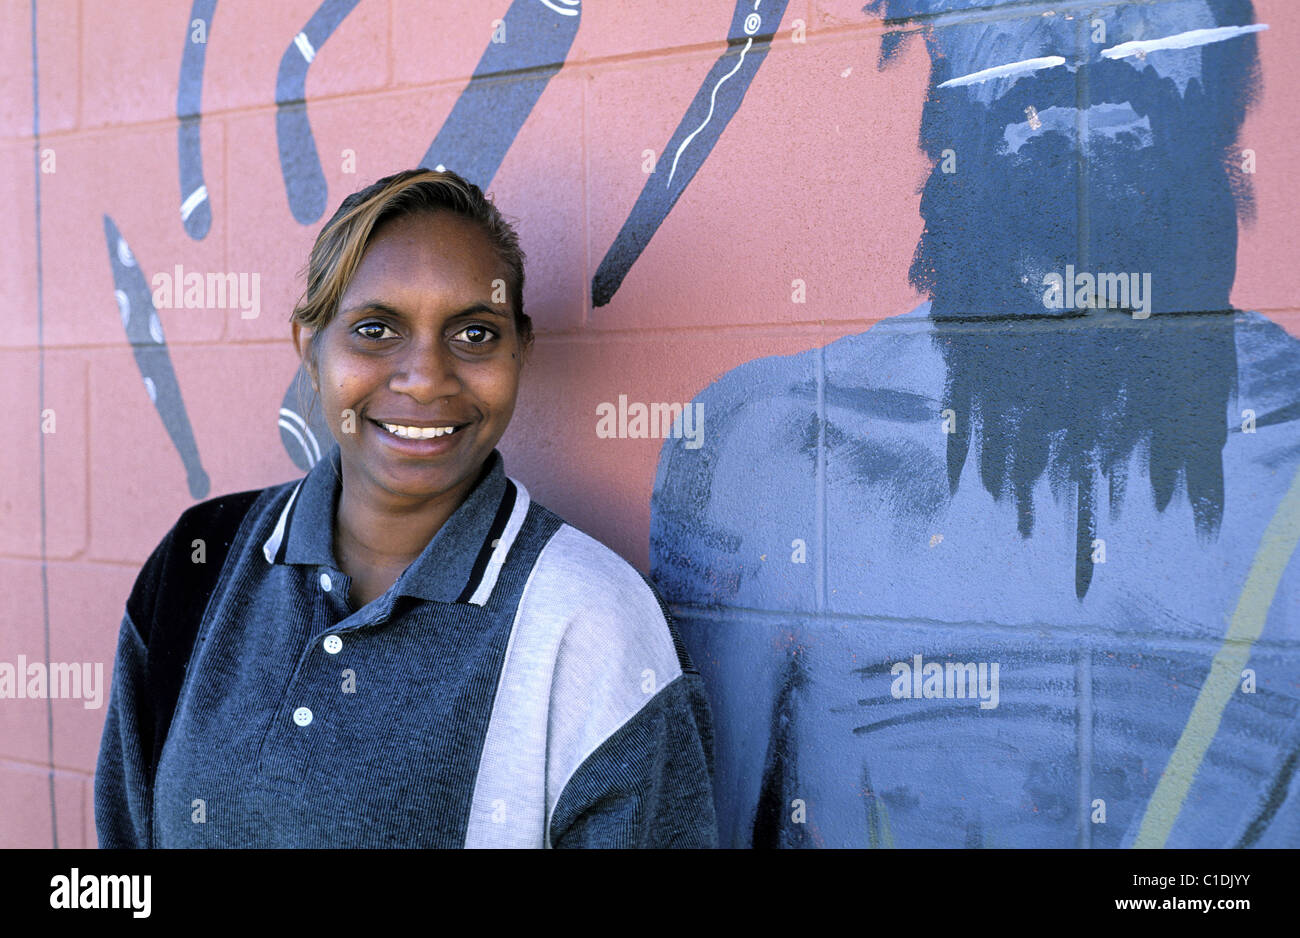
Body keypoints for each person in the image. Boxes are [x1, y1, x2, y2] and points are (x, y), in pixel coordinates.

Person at [95, 168, 719, 848]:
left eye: (475, 334)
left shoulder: (591, 620)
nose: (425, 378)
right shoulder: (200, 562)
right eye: (375, 329)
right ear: (311, 350)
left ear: (520, 350)